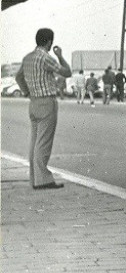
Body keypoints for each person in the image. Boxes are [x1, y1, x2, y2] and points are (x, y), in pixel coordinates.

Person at [19, 28, 72, 189]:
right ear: (49, 42)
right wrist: (60, 55)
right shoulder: (46, 58)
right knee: (43, 143)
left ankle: (35, 179)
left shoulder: (27, 58)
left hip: (33, 103)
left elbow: (18, 76)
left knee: (35, 142)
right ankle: (43, 180)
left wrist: (27, 91)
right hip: (47, 103)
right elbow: (67, 72)